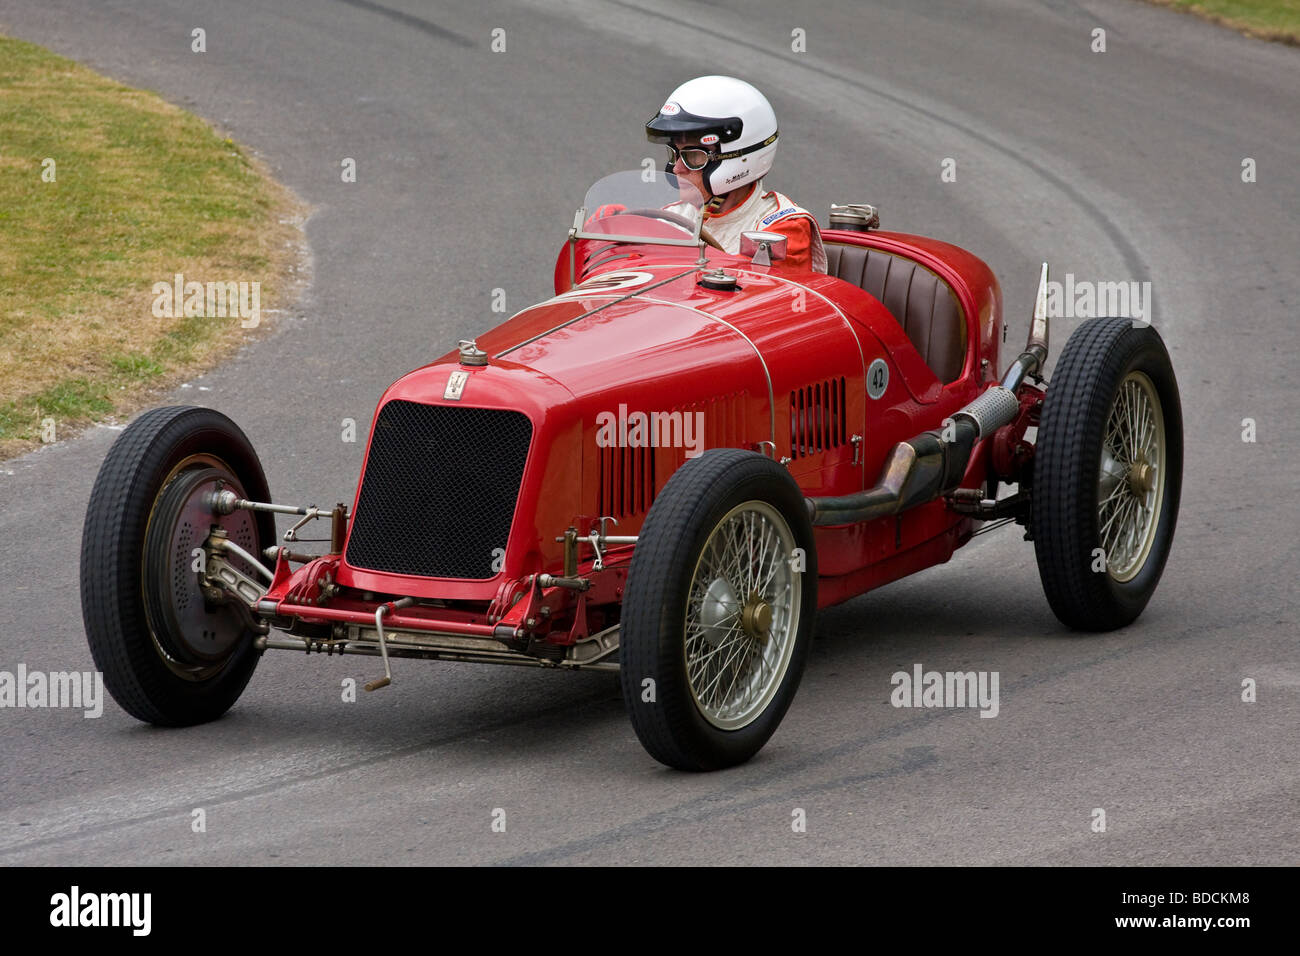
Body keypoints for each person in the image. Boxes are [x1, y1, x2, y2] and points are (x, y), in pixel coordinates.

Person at [645, 75, 827, 273]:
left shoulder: (782, 228)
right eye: (675, 154)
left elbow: (748, 286)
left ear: (739, 158)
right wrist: (617, 226)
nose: (677, 169)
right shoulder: (672, 217)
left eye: (694, 157)